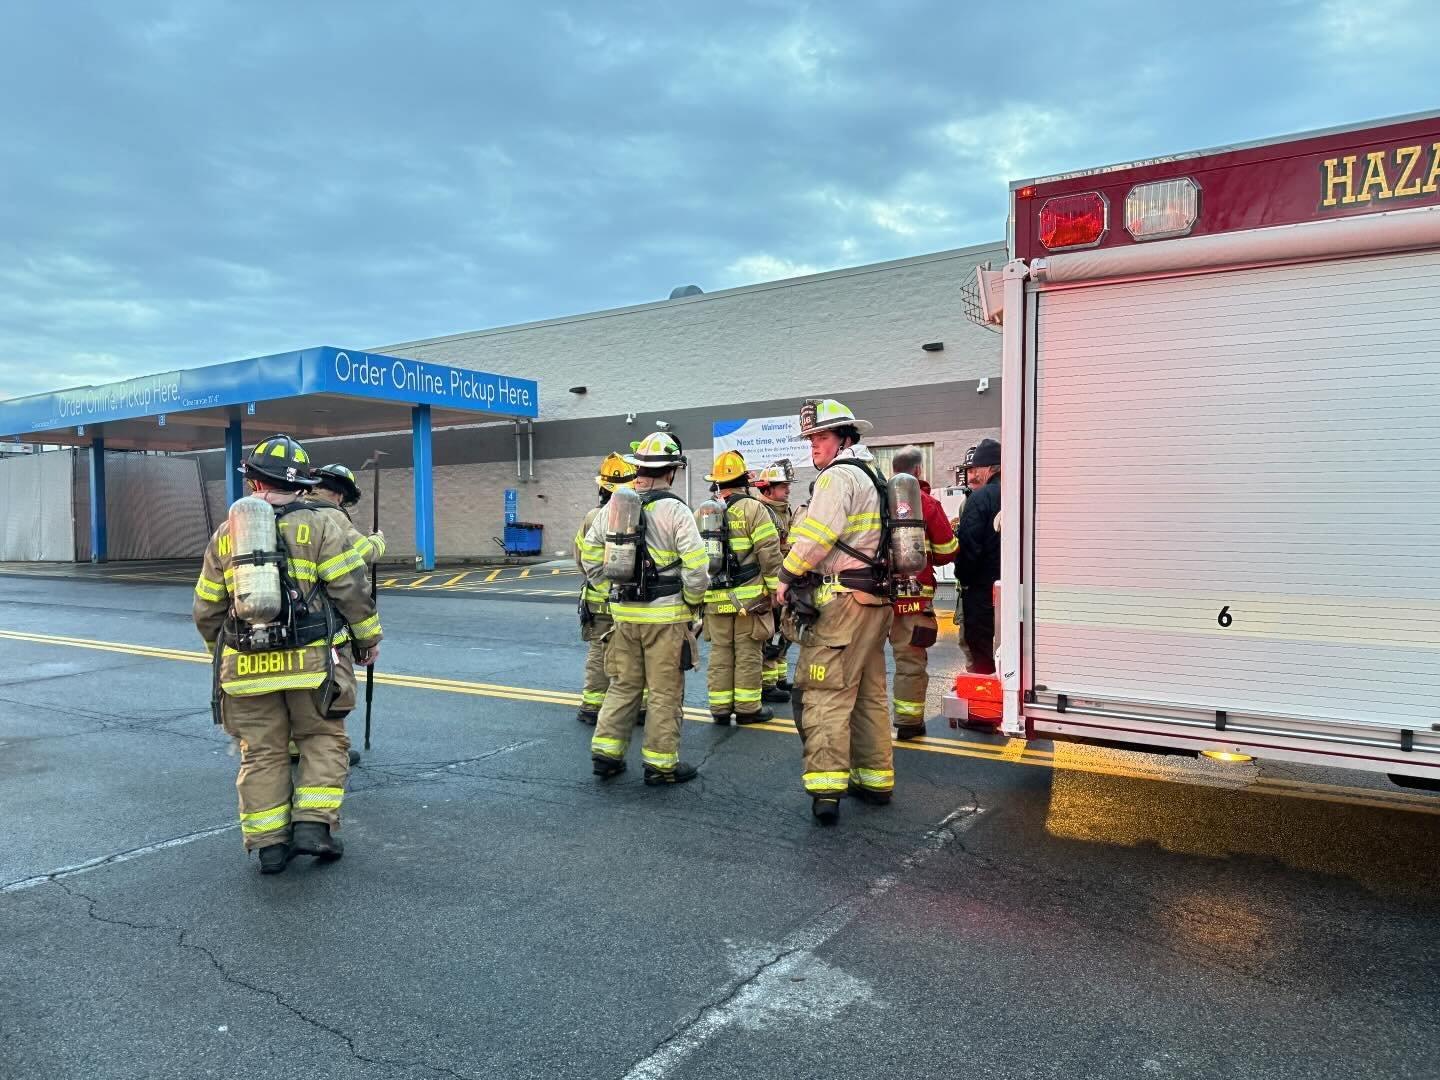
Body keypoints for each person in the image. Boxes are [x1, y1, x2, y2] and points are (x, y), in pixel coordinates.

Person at [193, 435, 382, 874]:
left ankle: (269, 846)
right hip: (313, 663)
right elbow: (350, 589)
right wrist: (367, 638)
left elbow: (207, 609)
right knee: (322, 738)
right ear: (301, 485)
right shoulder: (322, 524)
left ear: (254, 482)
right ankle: (314, 828)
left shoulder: (226, 535)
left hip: (244, 666)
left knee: (261, 752)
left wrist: (220, 655)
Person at [775, 399, 894, 825]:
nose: (814, 447)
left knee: (825, 694)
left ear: (845, 438)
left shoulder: (837, 478)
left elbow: (818, 537)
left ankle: (826, 792)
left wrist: (785, 577)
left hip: (842, 604)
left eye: (821, 437)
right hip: (875, 603)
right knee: (868, 694)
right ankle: (876, 779)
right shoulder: (874, 476)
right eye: (810, 439)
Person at [580, 431, 709, 785]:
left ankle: (605, 755)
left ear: (639, 468)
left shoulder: (613, 509)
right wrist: (693, 604)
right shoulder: (677, 511)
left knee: (623, 686)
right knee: (665, 691)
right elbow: (697, 568)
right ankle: (660, 765)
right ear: (671, 471)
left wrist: (610, 591)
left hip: (624, 617)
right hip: (666, 619)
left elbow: (590, 556)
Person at [696, 451, 782, 725]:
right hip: (749, 598)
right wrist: (775, 589)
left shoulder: (703, 511)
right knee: (747, 652)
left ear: (717, 483)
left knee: (721, 653)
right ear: (744, 479)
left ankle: (720, 709)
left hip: (715, 597)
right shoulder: (754, 509)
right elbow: (768, 552)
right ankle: (747, 709)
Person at [886, 446, 958, 739]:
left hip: (876, 596)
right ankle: (909, 722)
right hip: (914, 600)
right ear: (918, 472)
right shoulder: (927, 504)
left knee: (863, 661)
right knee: (910, 662)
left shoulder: (876, 502)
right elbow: (946, 552)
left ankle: (866, 724)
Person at [573, 453, 637, 725]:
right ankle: (639, 708)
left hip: (598, 600)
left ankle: (592, 707)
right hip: (630, 600)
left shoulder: (592, 517)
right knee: (634, 653)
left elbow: (581, 557)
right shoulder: (637, 514)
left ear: (602, 486)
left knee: (599, 653)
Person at [954, 438, 1001, 674]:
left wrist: (963, 576)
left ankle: (986, 708)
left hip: (982, 597)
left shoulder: (980, 499)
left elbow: (969, 550)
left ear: (990, 468)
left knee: (983, 662)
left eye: (976, 468)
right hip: (1017, 595)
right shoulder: (1023, 493)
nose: (974, 475)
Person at [752, 459, 797, 703]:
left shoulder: (784, 510)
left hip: (785, 580)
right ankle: (767, 685)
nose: (788, 490)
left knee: (784, 633)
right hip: (770, 584)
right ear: (767, 489)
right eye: (782, 486)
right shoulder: (764, 512)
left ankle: (779, 678)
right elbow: (767, 554)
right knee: (769, 636)